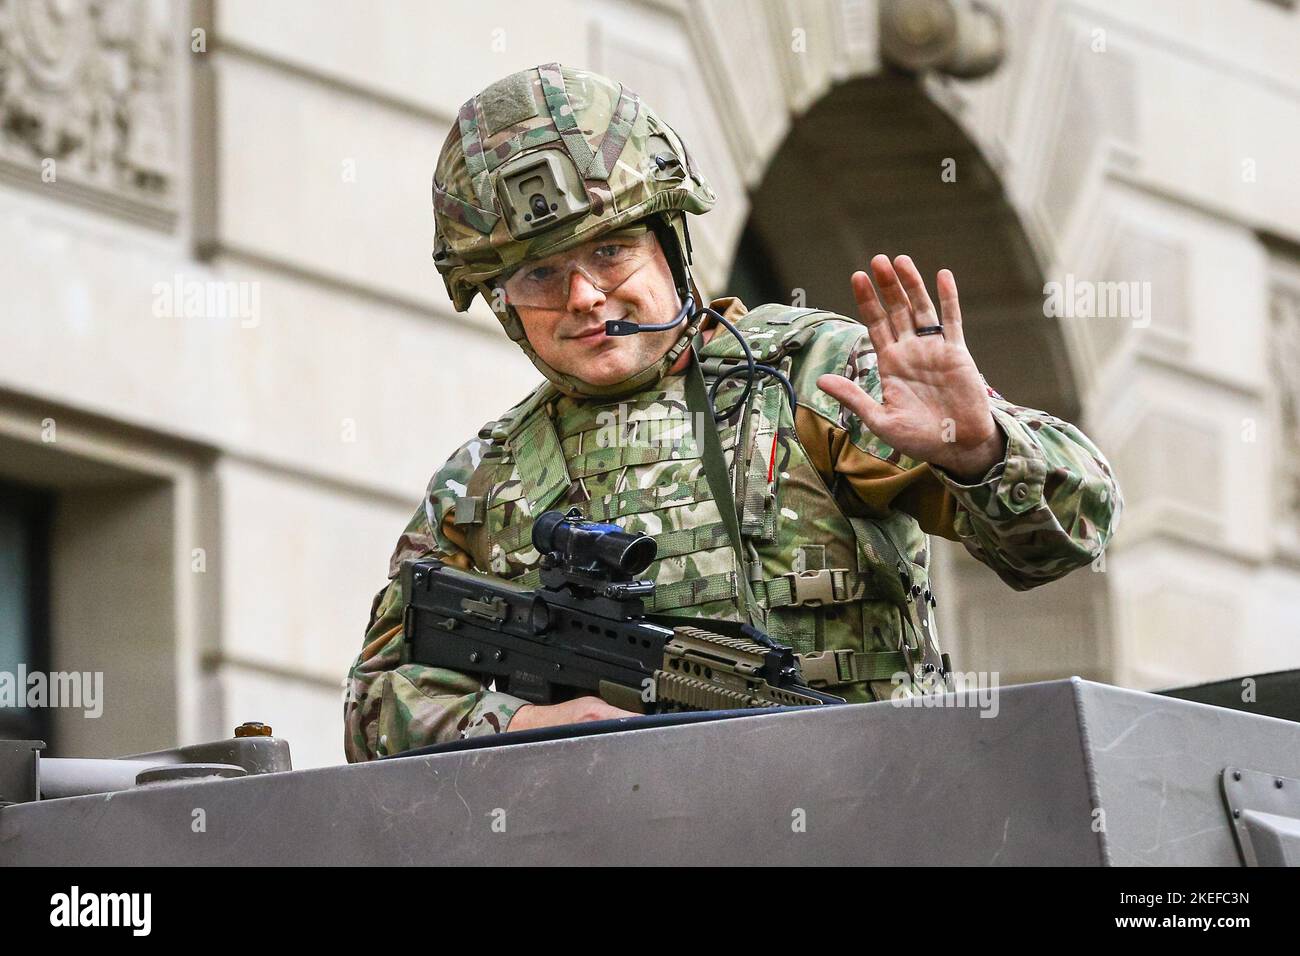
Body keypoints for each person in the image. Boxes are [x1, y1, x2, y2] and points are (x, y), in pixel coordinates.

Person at [343, 63, 1121, 761]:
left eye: (611, 253)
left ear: (668, 245)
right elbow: (374, 707)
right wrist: (526, 727)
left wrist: (977, 448)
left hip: (871, 807)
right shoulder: (483, 482)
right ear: (505, 305)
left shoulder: (806, 376)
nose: (584, 297)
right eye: (540, 275)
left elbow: (1071, 533)